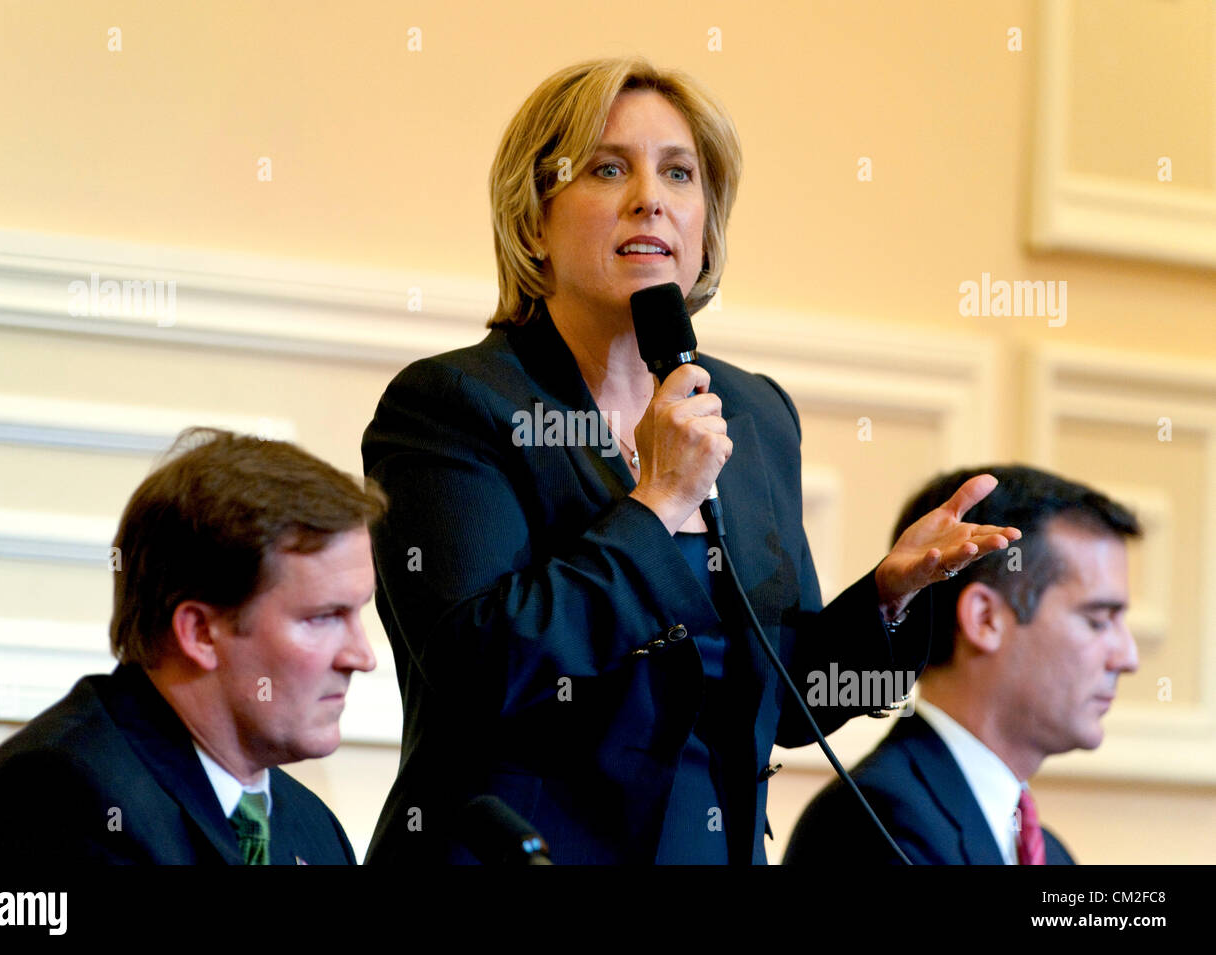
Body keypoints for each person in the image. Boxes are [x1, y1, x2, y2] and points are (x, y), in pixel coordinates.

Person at [361, 56, 1019, 865]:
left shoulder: (750, 413)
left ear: (706, 225)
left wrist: (886, 600)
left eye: (680, 173)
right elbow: (478, 670)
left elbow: (784, 703)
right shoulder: (454, 405)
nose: (652, 197)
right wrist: (657, 502)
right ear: (533, 221)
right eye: (608, 169)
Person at [0, 428, 384, 865]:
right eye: (323, 617)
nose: (362, 657)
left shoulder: (314, 829)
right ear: (199, 633)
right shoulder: (57, 797)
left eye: (358, 612)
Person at [783, 465, 1141, 865]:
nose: (1128, 658)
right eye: (1097, 620)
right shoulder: (871, 826)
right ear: (985, 619)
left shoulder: (1051, 854)